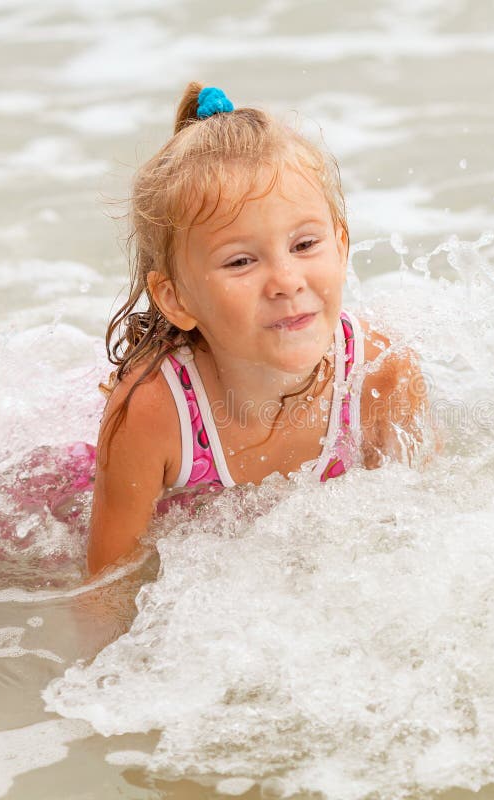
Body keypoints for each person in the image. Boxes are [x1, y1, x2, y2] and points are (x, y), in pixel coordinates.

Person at [87, 83, 428, 575]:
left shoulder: (381, 374)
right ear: (177, 299)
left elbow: (420, 534)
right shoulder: (152, 413)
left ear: (342, 243)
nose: (286, 281)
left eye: (305, 244)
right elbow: (104, 591)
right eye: (241, 260)